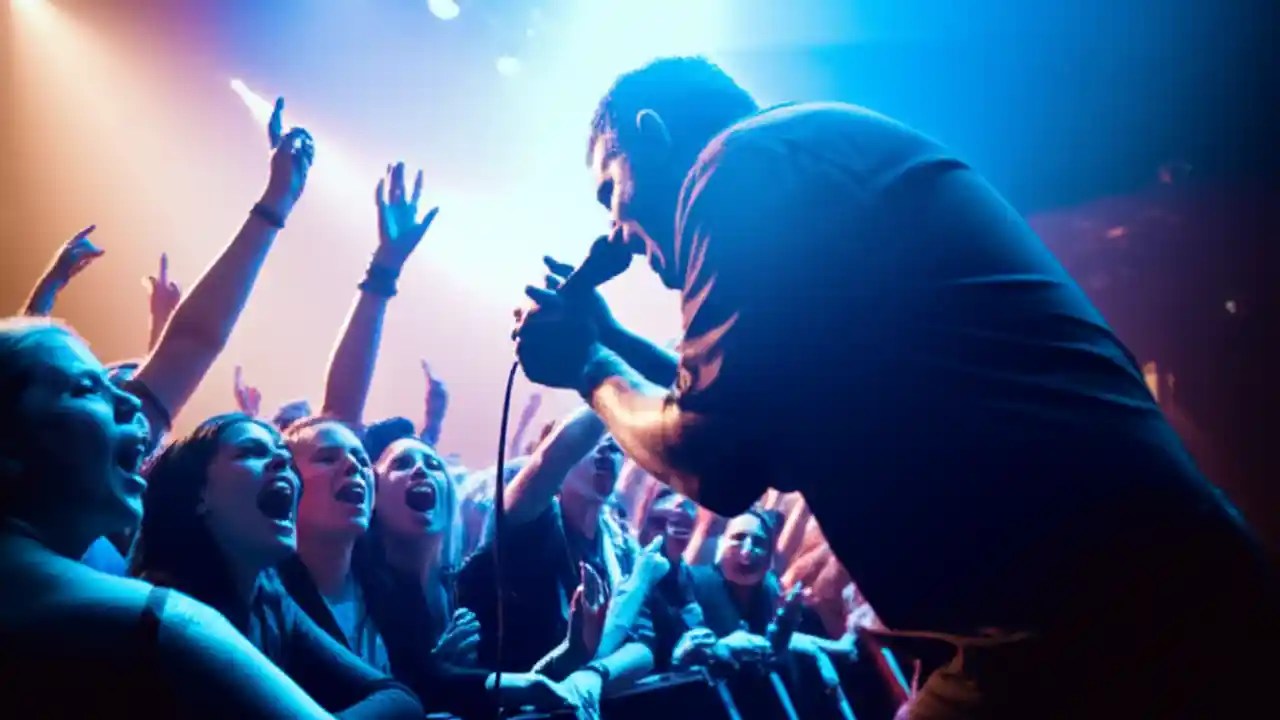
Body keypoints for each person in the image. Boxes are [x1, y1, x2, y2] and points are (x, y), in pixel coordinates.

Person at [513, 56, 1278, 718]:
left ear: (653, 132)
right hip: (1104, 599)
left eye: (610, 190)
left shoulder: (733, 168)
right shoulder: (800, 157)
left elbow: (717, 458)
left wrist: (587, 367)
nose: (613, 230)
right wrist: (608, 339)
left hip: (1102, 617)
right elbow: (750, 419)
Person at [0, 318, 379, 718]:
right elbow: (194, 339)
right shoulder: (167, 622)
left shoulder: (266, 601)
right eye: (85, 388)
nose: (130, 402)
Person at [129, 412, 423, 718]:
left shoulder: (270, 598)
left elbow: (399, 697)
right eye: (251, 452)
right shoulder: (177, 614)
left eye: (285, 458)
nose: (283, 464)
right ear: (198, 494)